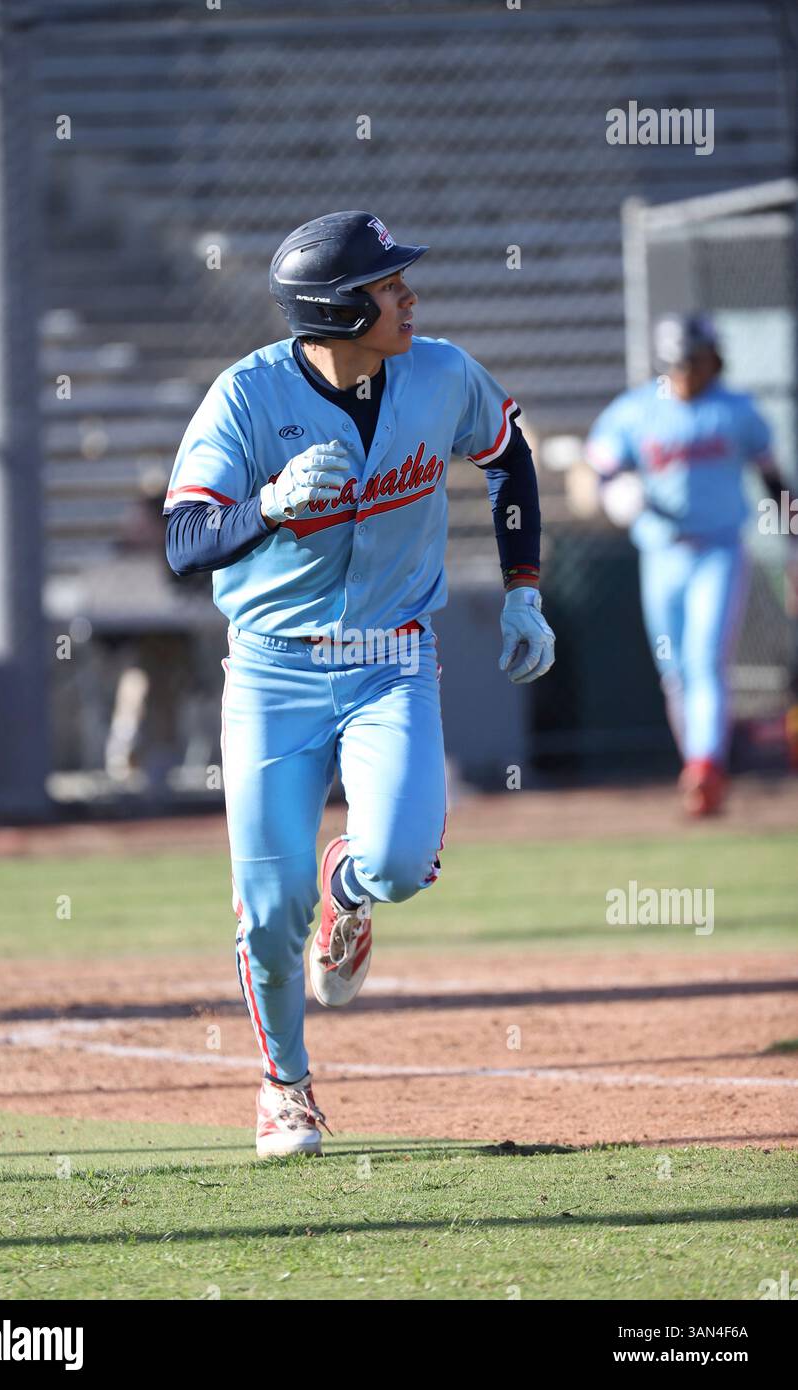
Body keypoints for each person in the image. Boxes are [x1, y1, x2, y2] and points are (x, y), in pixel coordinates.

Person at [164, 210, 555, 1156]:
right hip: (273, 670)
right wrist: (266, 505)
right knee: (268, 909)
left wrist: (524, 593)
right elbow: (185, 542)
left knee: (401, 863)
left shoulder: (441, 372)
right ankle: (285, 1088)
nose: (407, 295)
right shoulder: (247, 397)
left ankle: (353, 882)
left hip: (390, 658)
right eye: (386, 286)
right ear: (337, 310)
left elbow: (510, 460)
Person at [586, 312, 795, 816]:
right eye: (686, 362)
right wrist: (617, 494)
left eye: (701, 361)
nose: (694, 372)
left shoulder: (736, 409)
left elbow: (774, 483)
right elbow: (598, 473)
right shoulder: (635, 411)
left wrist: (793, 547)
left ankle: (705, 766)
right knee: (675, 672)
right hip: (661, 555)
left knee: (706, 661)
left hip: (719, 550)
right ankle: (697, 766)